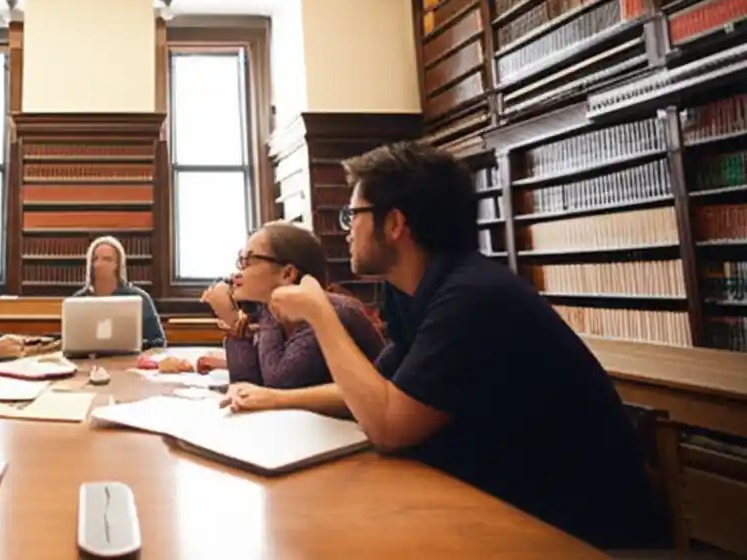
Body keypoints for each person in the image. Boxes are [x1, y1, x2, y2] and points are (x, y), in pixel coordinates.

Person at [263, 141, 660, 550]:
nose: (347, 228)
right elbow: (376, 388)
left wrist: (319, 313)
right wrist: (271, 400)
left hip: (579, 533)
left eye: (354, 214)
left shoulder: (473, 296)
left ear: (395, 223)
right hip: (497, 506)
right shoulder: (411, 292)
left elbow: (388, 427)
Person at [204, 221, 383, 397]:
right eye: (240, 261)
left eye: (248, 261)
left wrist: (235, 321)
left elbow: (280, 382)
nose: (237, 273)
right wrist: (235, 324)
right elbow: (249, 386)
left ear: (288, 273)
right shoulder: (271, 312)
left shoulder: (329, 310)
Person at [71, 235, 165, 348]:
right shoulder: (77, 301)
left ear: (118, 265)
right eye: (95, 259)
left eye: (107, 259)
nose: (99, 264)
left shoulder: (140, 299)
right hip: (87, 362)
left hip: (130, 363)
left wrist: (136, 345)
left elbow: (158, 341)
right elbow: (69, 342)